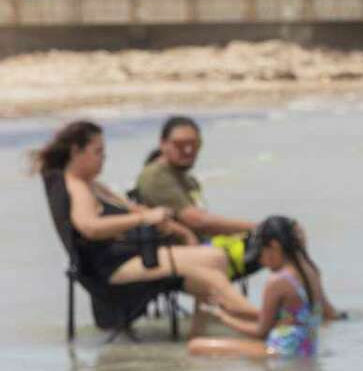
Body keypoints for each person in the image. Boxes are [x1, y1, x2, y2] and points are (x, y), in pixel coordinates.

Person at [36, 120, 259, 321]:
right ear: (76, 151)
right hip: (110, 268)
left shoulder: (95, 186)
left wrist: (176, 229)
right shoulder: (77, 187)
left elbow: (134, 208)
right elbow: (90, 228)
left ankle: (207, 335)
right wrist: (142, 218)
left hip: (131, 257)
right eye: (98, 152)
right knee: (213, 258)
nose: (103, 158)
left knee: (210, 269)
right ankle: (256, 319)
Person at [131, 115, 345, 320]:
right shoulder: (156, 175)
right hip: (187, 257)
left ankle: (306, 308)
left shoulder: (186, 178)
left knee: (290, 232)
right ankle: (313, 311)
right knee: (287, 234)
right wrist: (260, 228)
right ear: (163, 143)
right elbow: (199, 221)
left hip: (205, 246)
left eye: (194, 144)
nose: (188, 150)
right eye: (180, 144)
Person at [187, 218, 320, 359]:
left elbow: (260, 332)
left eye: (260, 253)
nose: (261, 261)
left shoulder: (278, 281)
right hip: (307, 349)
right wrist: (231, 310)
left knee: (195, 346)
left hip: (281, 351)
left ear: (274, 246)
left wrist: (224, 318)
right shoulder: (311, 272)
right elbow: (284, 318)